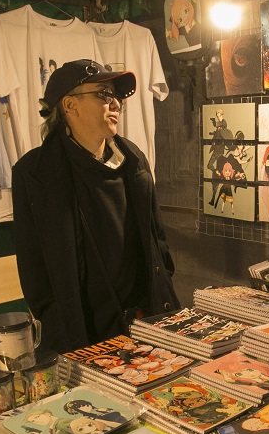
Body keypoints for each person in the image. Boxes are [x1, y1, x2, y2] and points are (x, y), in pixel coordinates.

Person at [11, 60, 180, 355]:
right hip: (82, 334)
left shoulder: (133, 160)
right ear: (69, 106)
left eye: (116, 96)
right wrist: (58, 324)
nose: (115, 102)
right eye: (103, 93)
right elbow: (34, 268)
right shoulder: (35, 173)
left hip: (146, 324)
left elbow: (157, 240)